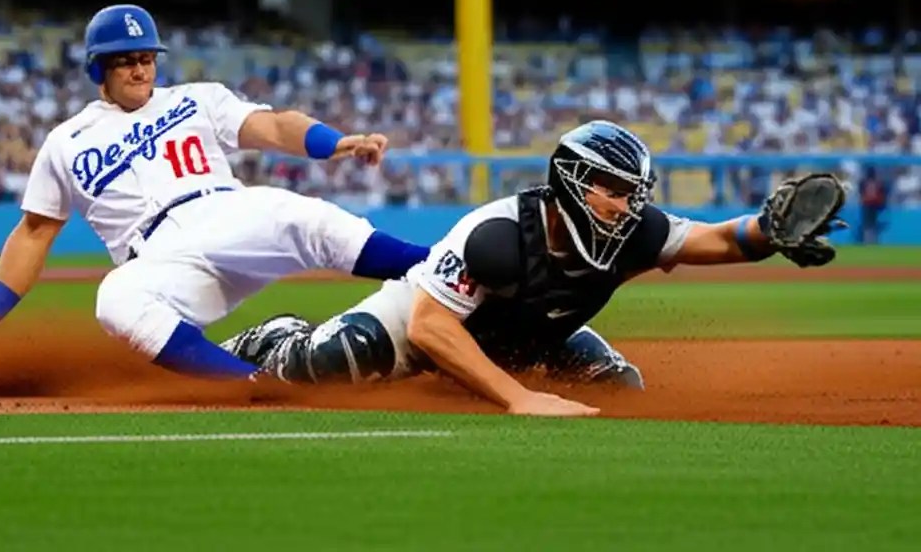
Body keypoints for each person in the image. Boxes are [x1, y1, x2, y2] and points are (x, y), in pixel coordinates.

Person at [0, 4, 429, 379]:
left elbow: (272, 127)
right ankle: (247, 384)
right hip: (159, 258)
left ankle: (447, 269)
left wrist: (335, 142)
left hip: (224, 213)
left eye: (147, 57)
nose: (141, 69)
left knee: (303, 216)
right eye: (125, 60)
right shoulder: (65, 142)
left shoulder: (195, 100)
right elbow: (34, 233)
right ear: (98, 69)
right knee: (115, 299)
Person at [222, 121, 846, 417]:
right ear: (574, 183)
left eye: (636, 191)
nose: (630, 204)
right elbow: (431, 326)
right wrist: (520, 398)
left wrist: (769, 231)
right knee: (329, 367)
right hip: (426, 320)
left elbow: (718, 240)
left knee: (618, 391)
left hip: (531, 333)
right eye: (616, 190)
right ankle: (276, 336)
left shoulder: (638, 231)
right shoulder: (496, 236)